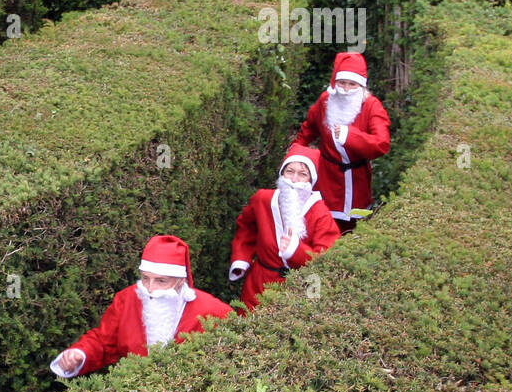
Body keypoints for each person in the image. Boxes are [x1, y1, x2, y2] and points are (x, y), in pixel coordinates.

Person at [50, 235, 233, 379]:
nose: (150, 288)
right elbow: (104, 342)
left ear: (180, 281)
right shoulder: (128, 298)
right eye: (145, 278)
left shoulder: (216, 313)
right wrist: (80, 354)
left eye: (161, 281)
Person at [228, 144, 340, 312]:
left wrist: (296, 251)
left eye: (302, 174)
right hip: (259, 283)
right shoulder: (263, 199)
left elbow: (327, 259)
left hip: (299, 286)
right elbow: (246, 226)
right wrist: (241, 258)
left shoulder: (320, 213)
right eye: (289, 171)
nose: (294, 180)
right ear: (282, 173)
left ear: (311, 180)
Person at [294, 51, 390, 233]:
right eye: (342, 83)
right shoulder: (325, 101)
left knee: (354, 227)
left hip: (357, 181)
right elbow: (307, 130)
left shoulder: (371, 106)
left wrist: (350, 136)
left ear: (361, 86)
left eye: (352, 84)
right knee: (322, 224)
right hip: (326, 178)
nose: (345, 89)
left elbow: (381, 144)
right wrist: (294, 159)